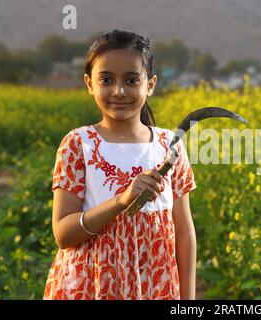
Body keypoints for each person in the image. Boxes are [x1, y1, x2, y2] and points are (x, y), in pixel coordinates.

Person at [43, 29, 197, 300]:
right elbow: (63, 234)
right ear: (89, 84)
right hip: (91, 286)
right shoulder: (79, 144)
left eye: (131, 79)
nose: (119, 90)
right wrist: (121, 201)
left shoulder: (169, 146)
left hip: (155, 287)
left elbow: (184, 232)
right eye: (106, 79)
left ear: (150, 84)